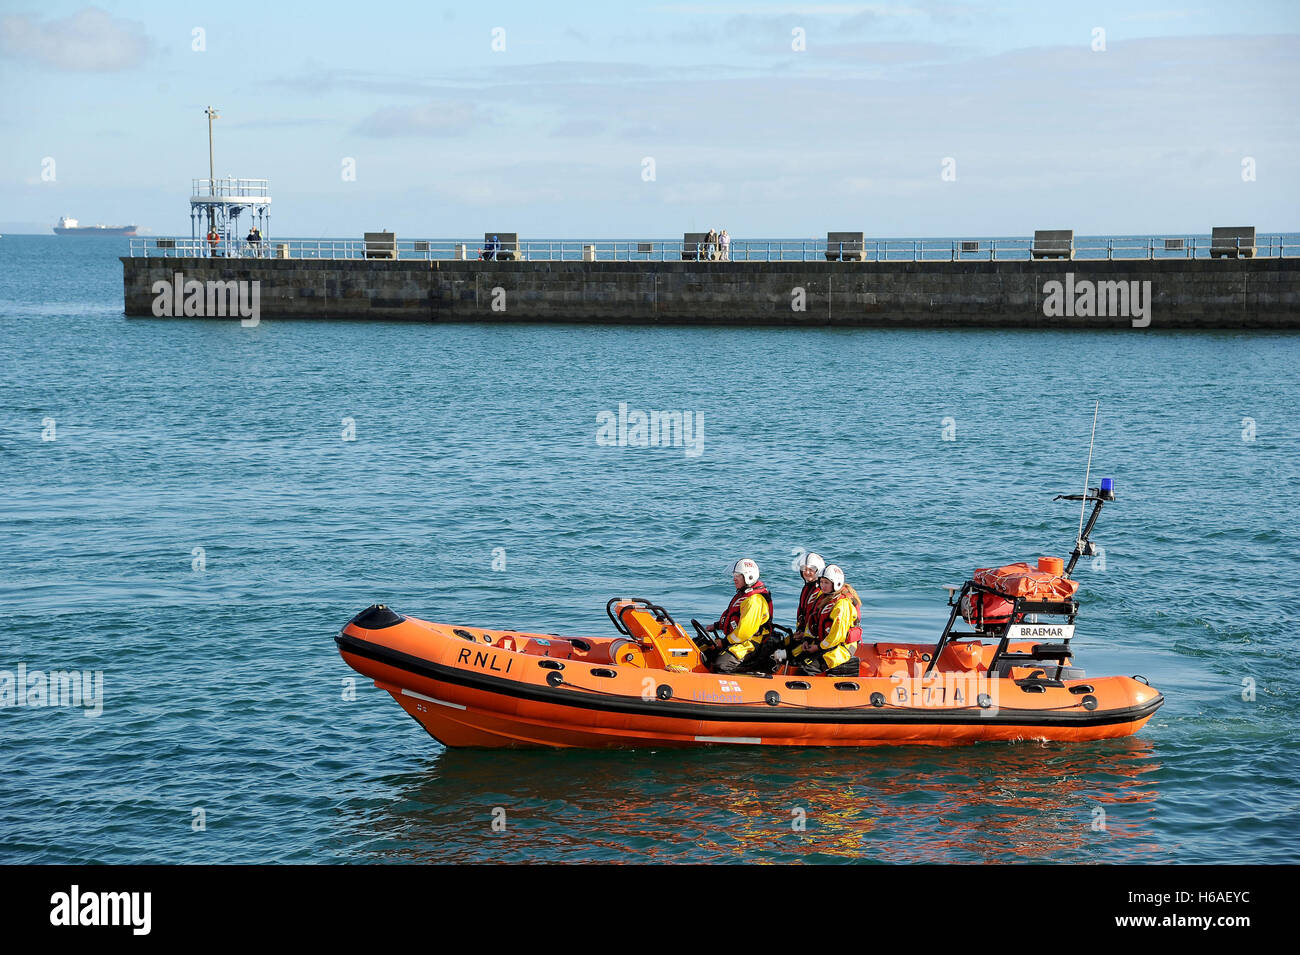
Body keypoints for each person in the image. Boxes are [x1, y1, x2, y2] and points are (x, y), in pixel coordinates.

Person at [706, 558, 773, 674]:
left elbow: (744, 632)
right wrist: (716, 626)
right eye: (734, 575)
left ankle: (747, 674)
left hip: (750, 643)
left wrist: (724, 642)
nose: (734, 578)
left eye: (738, 575)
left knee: (722, 664)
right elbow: (733, 618)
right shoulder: (744, 596)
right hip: (739, 639)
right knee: (704, 648)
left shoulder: (754, 601)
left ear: (748, 577)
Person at [799, 564, 862, 677]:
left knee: (807, 667)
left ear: (836, 583)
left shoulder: (842, 605)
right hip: (826, 644)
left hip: (840, 648)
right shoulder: (824, 598)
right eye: (822, 582)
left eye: (826, 583)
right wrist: (807, 639)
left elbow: (836, 636)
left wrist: (818, 648)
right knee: (797, 657)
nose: (823, 586)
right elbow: (812, 622)